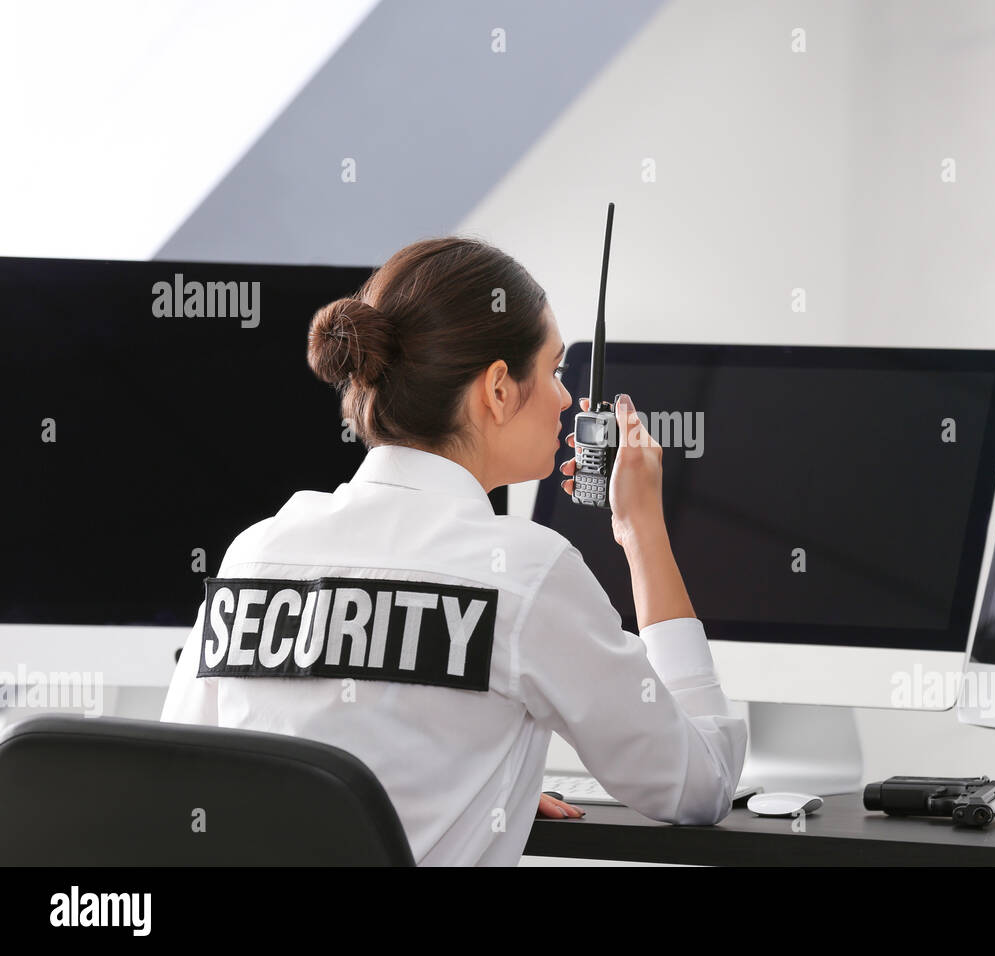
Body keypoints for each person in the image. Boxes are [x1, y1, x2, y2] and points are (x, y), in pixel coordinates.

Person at [160, 236, 747, 866]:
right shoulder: (526, 573)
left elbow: (183, 786)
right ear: (497, 389)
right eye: (552, 371)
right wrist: (641, 530)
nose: (567, 400)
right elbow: (701, 782)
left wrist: (487, 783)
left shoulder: (255, 553)